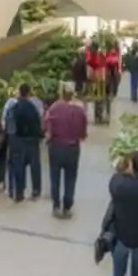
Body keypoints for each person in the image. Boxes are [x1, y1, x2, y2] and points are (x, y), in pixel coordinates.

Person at [44, 86, 88, 218]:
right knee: (71, 177)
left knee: (55, 177)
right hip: (72, 148)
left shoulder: (53, 108)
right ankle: (67, 206)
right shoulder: (80, 111)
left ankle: (56, 205)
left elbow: (47, 127)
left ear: (61, 94)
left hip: (56, 147)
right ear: (73, 95)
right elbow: (83, 134)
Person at [7, 84, 43, 201]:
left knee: (19, 166)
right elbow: (37, 123)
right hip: (32, 140)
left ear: (19, 92)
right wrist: (39, 136)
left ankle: (19, 192)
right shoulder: (32, 108)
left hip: (18, 140)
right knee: (35, 166)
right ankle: (36, 190)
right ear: (28, 93)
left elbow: (10, 125)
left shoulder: (14, 107)